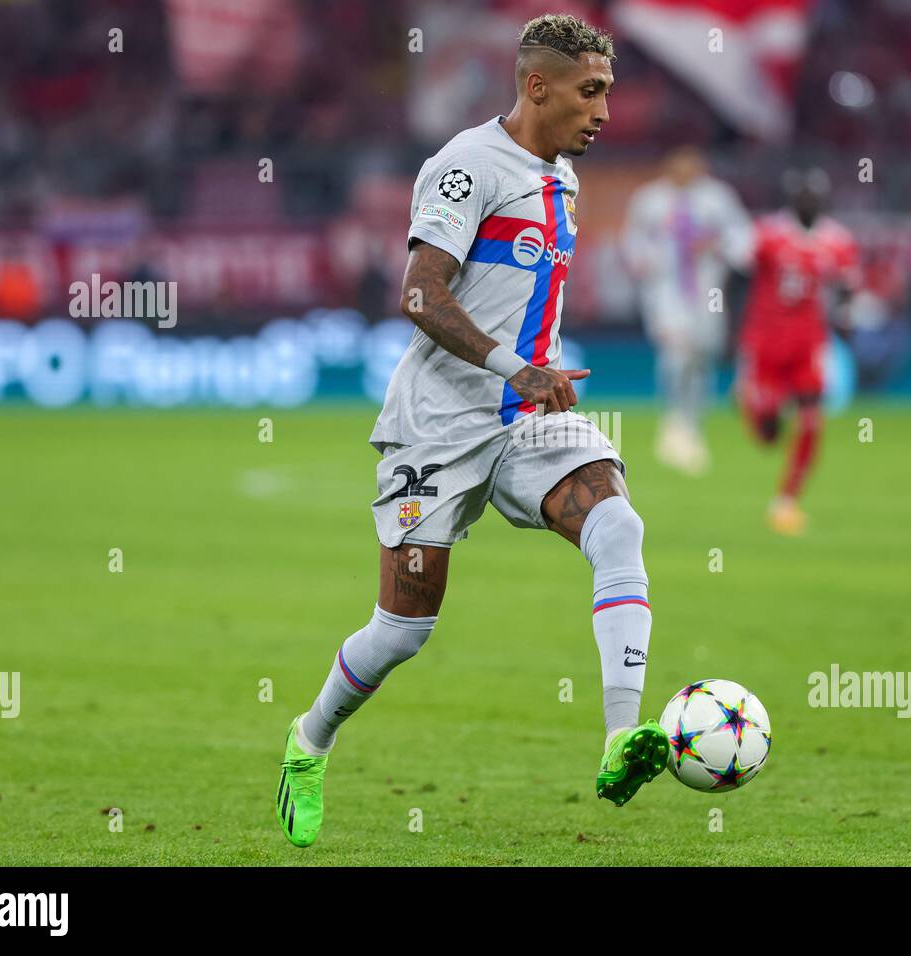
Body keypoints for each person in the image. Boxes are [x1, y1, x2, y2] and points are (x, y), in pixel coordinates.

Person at [274, 14, 668, 849]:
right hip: (439, 426)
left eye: (608, 92)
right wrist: (511, 366)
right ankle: (309, 742)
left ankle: (620, 738)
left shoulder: (563, 179)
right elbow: (419, 295)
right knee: (405, 628)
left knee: (617, 521)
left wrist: (535, 373)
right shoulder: (464, 165)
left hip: (529, 419)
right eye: (589, 92)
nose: (603, 111)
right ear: (537, 86)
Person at [735, 168, 859, 535]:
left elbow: (848, 287)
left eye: (815, 197)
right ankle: (753, 403)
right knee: (768, 430)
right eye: (804, 196)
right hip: (767, 342)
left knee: (810, 421)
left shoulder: (837, 240)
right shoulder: (768, 234)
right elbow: (739, 274)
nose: (809, 203)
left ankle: (786, 501)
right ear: (793, 199)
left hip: (808, 344)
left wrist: (845, 321)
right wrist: (733, 326)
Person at [623, 148, 750, 475]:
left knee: (702, 356)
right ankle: (673, 420)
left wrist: (718, 245)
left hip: (709, 292)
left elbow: (743, 238)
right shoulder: (650, 199)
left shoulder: (717, 198)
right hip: (666, 292)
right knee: (676, 351)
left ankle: (691, 424)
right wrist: (643, 260)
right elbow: (633, 239)